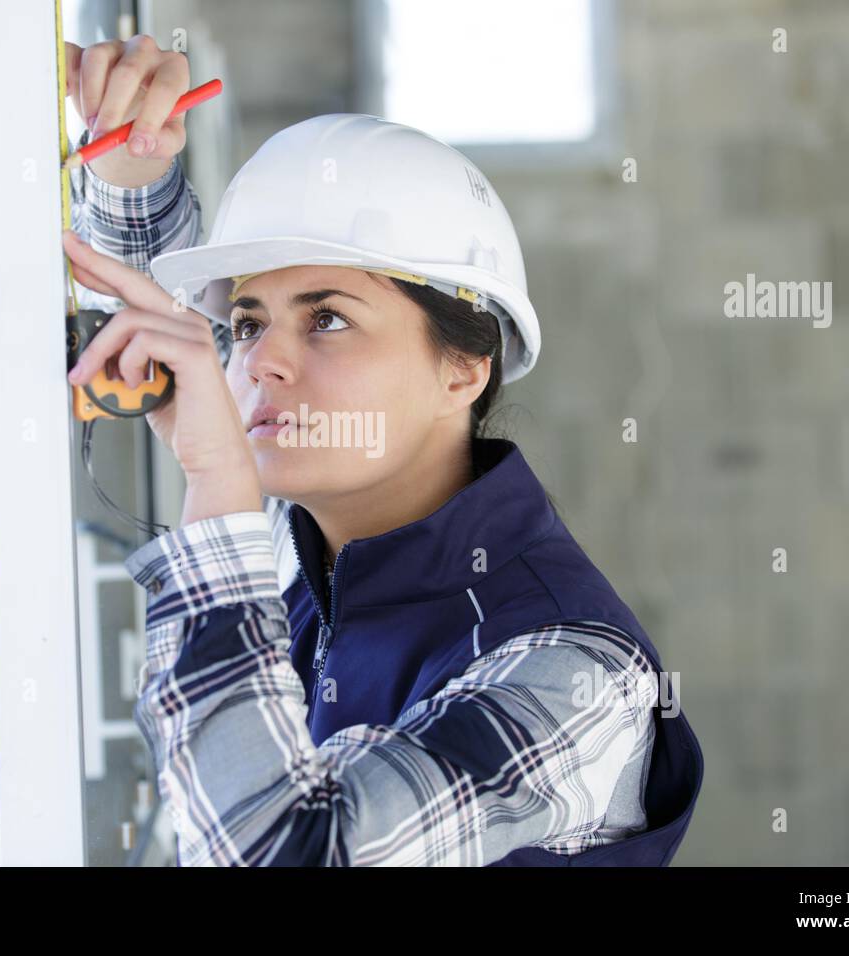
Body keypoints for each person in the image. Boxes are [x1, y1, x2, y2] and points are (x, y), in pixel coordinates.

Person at [63, 36, 703, 866]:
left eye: (328, 318)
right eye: (250, 323)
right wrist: (131, 163)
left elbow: (286, 850)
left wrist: (216, 484)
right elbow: (166, 319)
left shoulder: (572, 676)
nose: (259, 361)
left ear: (465, 369)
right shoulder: (315, 545)